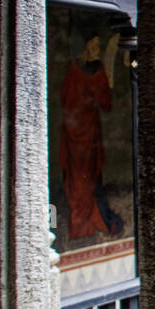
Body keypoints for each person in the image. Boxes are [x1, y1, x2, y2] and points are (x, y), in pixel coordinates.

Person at [58, 32, 121, 240]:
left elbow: (103, 103)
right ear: (85, 47)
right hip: (80, 134)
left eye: (98, 47)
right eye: (93, 46)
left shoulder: (80, 70)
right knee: (80, 179)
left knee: (86, 178)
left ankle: (88, 221)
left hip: (82, 133)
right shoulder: (85, 71)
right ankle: (83, 224)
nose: (97, 50)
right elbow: (102, 103)